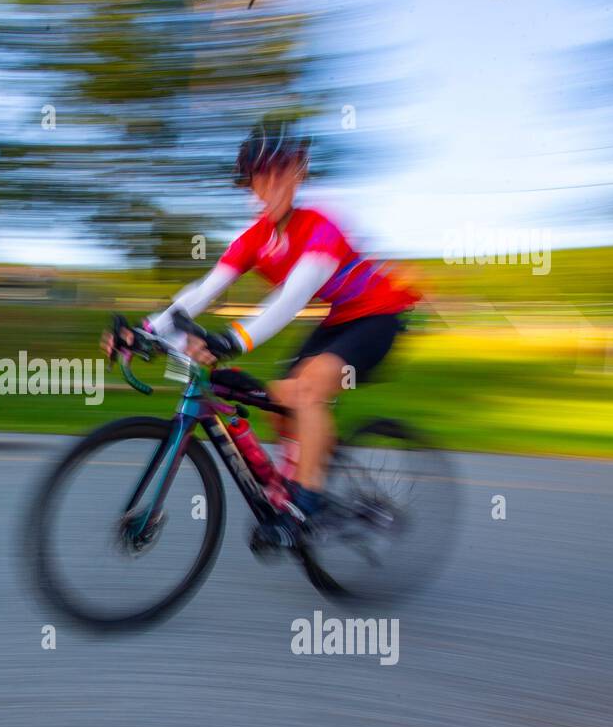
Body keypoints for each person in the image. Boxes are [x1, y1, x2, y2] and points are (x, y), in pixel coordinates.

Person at [104, 118, 419, 542]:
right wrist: (145, 332)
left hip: (380, 315)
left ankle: (303, 504)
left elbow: (292, 298)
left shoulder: (321, 225)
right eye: (258, 177)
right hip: (338, 318)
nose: (267, 185)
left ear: (297, 173)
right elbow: (204, 291)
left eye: (278, 172)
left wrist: (232, 340)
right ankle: (313, 471)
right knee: (280, 400)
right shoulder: (256, 238)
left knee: (308, 388)